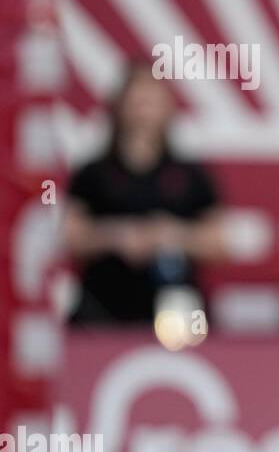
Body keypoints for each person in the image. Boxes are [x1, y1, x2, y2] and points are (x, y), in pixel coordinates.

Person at [64, 62, 226, 325]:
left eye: (152, 100)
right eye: (137, 100)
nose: (144, 111)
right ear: (119, 106)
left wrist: (171, 235)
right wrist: (115, 236)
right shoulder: (92, 174)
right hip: (102, 310)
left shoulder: (191, 175)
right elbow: (70, 235)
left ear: (168, 107)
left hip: (175, 311)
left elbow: (219, 241)